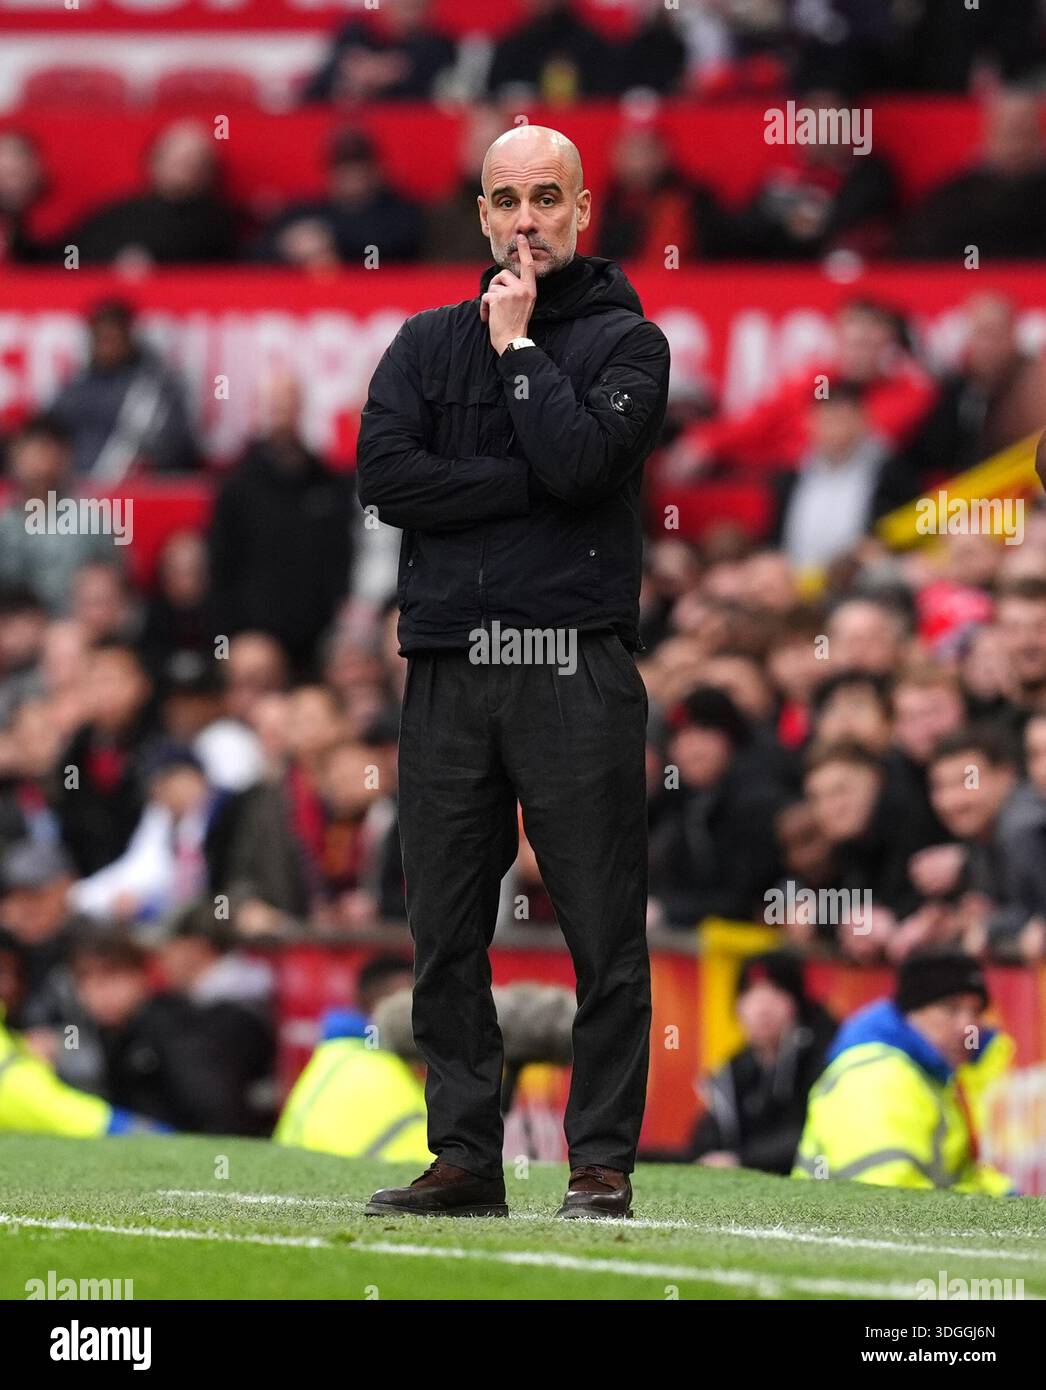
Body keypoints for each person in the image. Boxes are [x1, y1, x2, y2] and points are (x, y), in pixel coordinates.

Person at [357, 123, 670, 1220]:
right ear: (481, 214)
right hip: (447, 661)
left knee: (600, 927)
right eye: (504, 200)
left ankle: (598, 1164)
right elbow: (385, 476)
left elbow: (585, 462)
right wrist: (526, 482)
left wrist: (521, 354)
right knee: (441, 925)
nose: (525, 219)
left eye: (546, 198)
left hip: (573, 663)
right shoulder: (422, 338)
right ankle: (464, 1158)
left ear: (582, 210)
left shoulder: (631, 342)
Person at [793, 950, 1015, 1193]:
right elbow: (888, 1200)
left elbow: (956, 1179)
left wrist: (1007, 1198)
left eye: (976, 1012)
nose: (968, 1028)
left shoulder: (933, 1074)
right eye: (951, 1009)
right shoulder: (875, 1078)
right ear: (912, 1013)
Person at [208, 373, 354, 671]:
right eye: (275, 407)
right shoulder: (237, 486)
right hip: (254, 640)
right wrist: (235, 635)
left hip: (317, 641)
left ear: (302, 410)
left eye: (289, 406)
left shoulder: (327, 481)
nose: (282, 417)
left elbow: (341, 558)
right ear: (260, 411)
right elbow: (220, 567)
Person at [690, 951, 837, 1174]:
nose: (763, 1008)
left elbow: (812, 1135)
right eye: (752, 995)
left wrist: (741, 1160)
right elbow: (704, 1147)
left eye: (776, 993)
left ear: (797, 1003)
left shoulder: (824, 1053)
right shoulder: (732, 1072)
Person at [49, 300, 198, 479]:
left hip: (136, 491)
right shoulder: (76, 389)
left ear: (129, 338)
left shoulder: (158, 388)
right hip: (78, 491)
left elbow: (172, 447)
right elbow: (48, 433)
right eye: (100, 339)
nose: (106, 346)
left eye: (112, 338)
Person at [67, 119, 237, 266]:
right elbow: (73, 257)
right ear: (153, 161)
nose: (185, 170)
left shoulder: (219, 223)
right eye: (178, 161)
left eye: (196, 162)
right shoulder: (114, 215)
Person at [901, 90, 1046, 261]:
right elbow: (918, 250)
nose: (1015, 144)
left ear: (1039, 136)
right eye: (1007, 131)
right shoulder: (955, 196)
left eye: (1023, 131)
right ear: (988, 134)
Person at [258, 128, 423, 269]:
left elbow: (386, 253)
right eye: (342, 167)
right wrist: (288, 246)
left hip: (384, 298)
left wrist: (330, 241)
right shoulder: (306, 211)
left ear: (377, 169)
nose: (351, 175)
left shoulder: (400, 213)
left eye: (359, 166)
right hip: (311, 300)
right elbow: (256, 253)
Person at [0, 417, 116, 613]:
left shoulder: (92, 520)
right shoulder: (5, 523)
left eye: (47, 452)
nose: (39, 465)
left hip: (77, 630)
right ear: (15, 458)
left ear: (65, 458)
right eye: (31, 452)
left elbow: (115, 587)